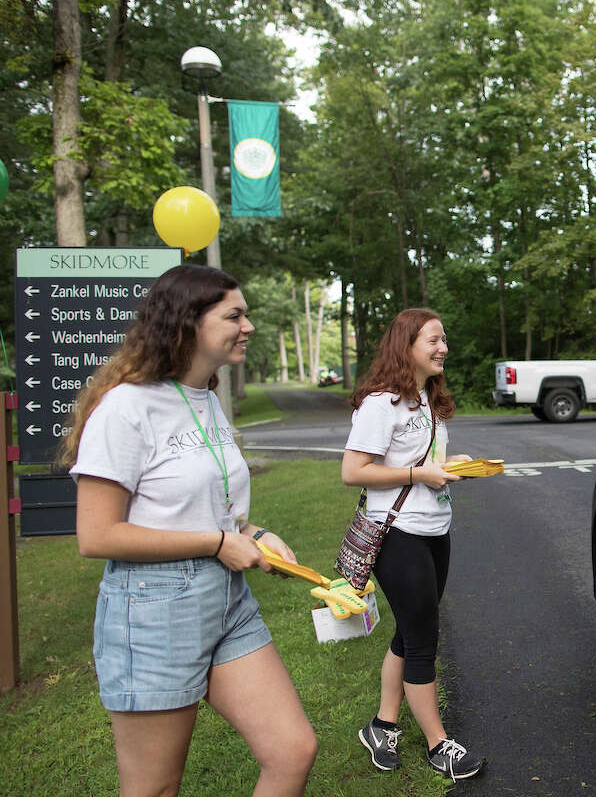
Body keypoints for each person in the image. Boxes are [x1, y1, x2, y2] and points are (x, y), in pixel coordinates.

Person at [62, 264, 318, 796]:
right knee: (155, 788)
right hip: (154, 608)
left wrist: (254, 531)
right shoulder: (126, 408)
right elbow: (98, 535)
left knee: (292, 751)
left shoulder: (206, 399)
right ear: (187, 323)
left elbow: (218, 509)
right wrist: (219, 543)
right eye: (234, 315)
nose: (248, 326)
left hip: (227, 601)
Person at [341, 307, 485, 781]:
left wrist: (451, 462)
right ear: (407, 346)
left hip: (434, 531)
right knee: (423, 639)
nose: (443, 347)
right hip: (396, 534)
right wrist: (418, 473)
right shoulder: (381, 403)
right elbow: (353, 471)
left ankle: (382, 726)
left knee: (408, 631)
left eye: (444, 339)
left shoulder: (426, 398)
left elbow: (428, 460)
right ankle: (438, 744)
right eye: (433, 340)